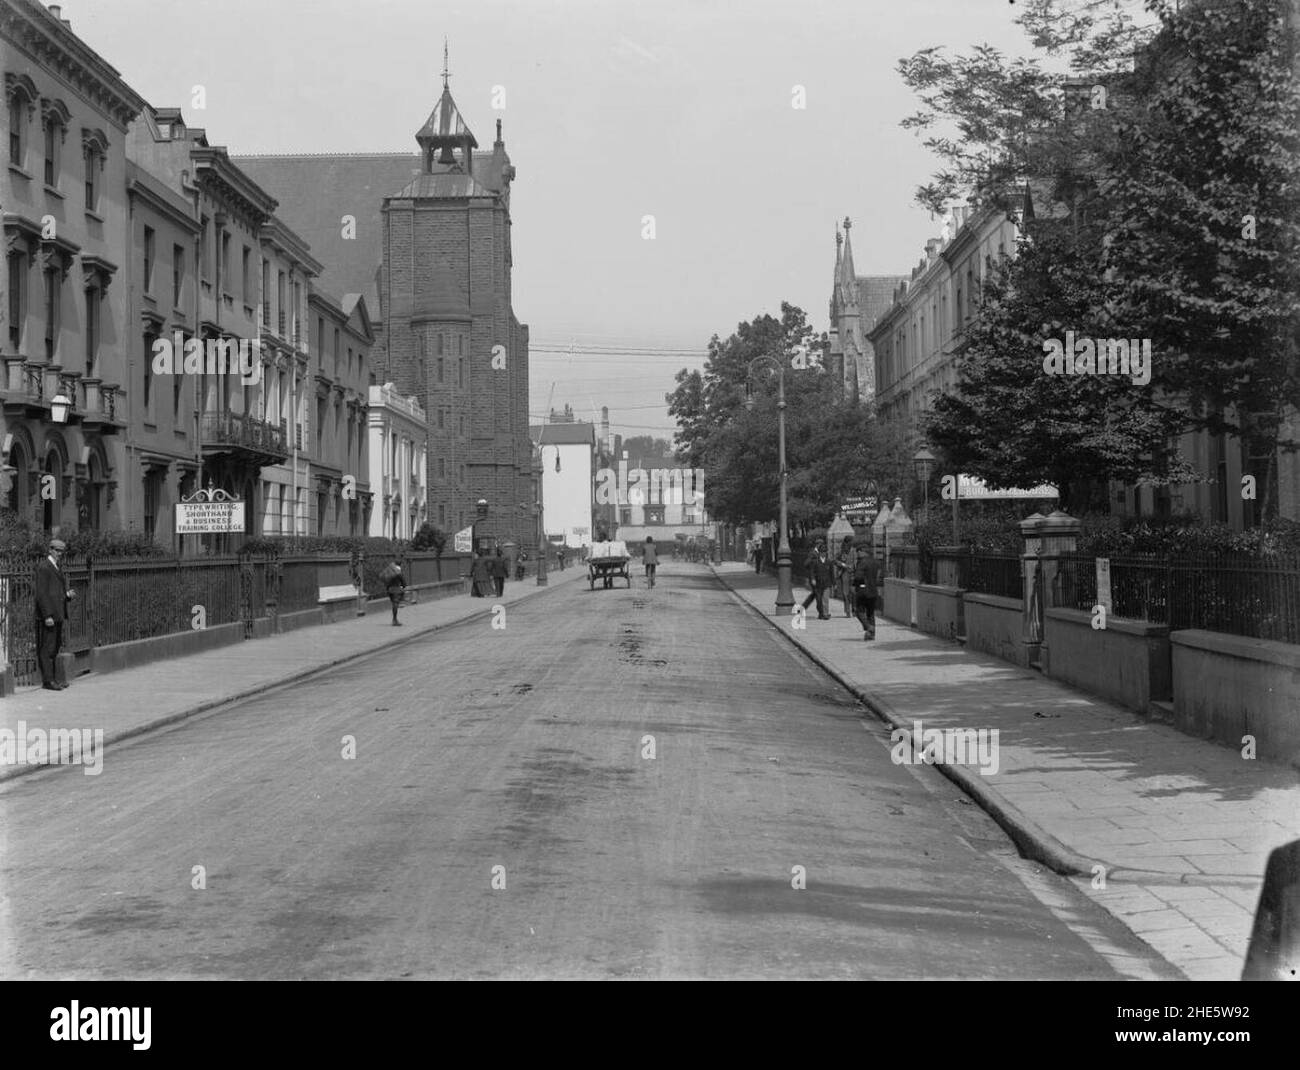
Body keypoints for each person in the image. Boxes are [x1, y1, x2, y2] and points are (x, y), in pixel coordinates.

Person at [34, 538, 74, 690]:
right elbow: (41, 594)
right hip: (50, 616)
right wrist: (47, 615)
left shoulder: (56, 566)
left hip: (58, 613)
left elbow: (55, 592)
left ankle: (54, 679)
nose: (59, 554)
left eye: (61, 551)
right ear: (50, 550)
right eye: (57, 551)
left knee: (55, 648)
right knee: (48, 649)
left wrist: (67, 595)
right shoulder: (44, 567)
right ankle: (48, 681)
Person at [852, 541, 882, 641]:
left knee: (858, 611)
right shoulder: (875, 561)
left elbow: (858, 577)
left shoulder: (862, 562)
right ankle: (871, 634)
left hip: (863, 591)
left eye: (858, 552)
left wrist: (857, 585)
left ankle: (869, 627)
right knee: (870, 613)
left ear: (862, 551)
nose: (857, 554)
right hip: (873, 590)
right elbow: (878, 576)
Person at [801, 538, 833, 620]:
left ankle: (822, 613)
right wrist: (812, 576)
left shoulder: (825, 557)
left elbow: (830, 569)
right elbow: (806, 564)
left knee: (819, 597)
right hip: (816, 579)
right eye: (820, 544)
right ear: (817, 544)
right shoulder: (813, 553)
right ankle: (821, 613)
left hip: (824, 580)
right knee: (818, 597)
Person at [833, 536, 856, 618]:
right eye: (850, 541)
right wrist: (844, 565)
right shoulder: (841, 551)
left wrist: (854, 567)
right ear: (847, 542)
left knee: (854, 592)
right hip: (844, 573)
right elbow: (835, 560)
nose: (852, 543)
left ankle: (854, 610)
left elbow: (856, 561)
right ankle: (847, 611)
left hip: (853, 573)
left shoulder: (853, 550)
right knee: (846, 593)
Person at [381, 559, 406, 626]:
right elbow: (403, 581)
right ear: (400, 564)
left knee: (393, 604)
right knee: (395, 604)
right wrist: (403, 586)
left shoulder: (390, 570)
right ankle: (394, 620)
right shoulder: (398, 571)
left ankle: (394, 619)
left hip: (389, 589)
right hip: (396, 589)